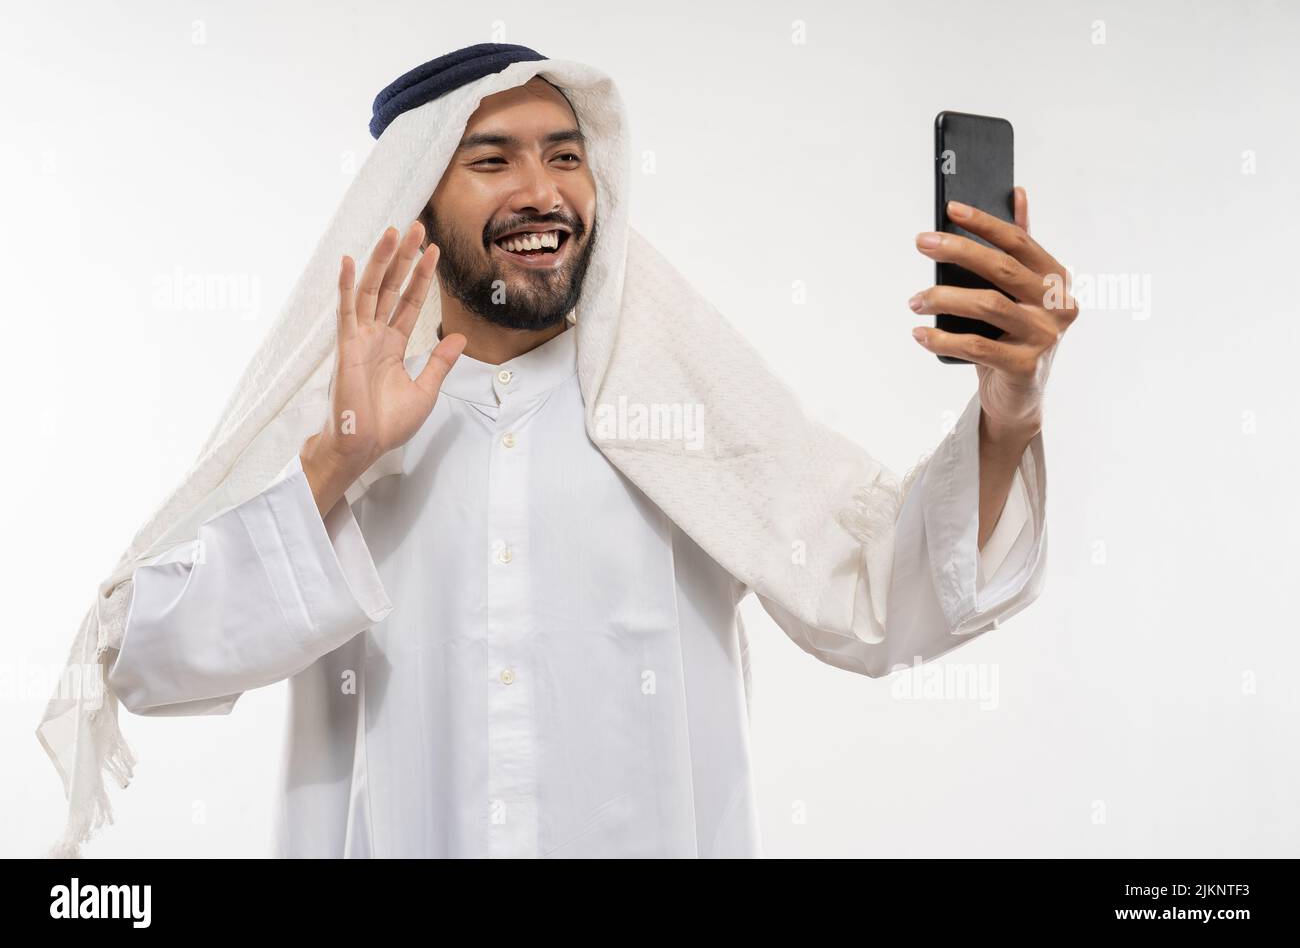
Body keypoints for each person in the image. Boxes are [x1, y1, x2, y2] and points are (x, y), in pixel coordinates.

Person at [48, 45, 1072, 858]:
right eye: (491, 159)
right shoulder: (343, 419)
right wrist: (336, 462)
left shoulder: (678, 405)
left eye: (567, 156)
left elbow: (882, 596)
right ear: (412, 198)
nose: (543, 191)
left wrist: (1008, 409)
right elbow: (148, 656)